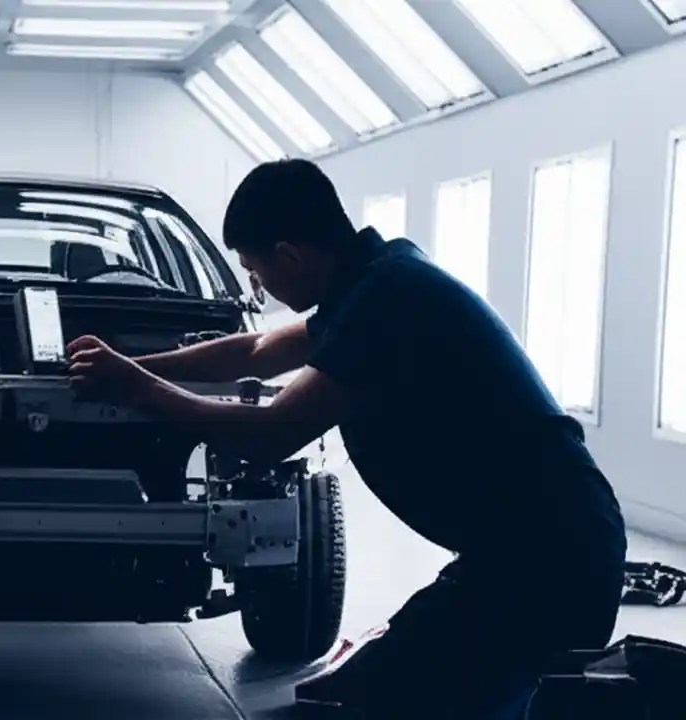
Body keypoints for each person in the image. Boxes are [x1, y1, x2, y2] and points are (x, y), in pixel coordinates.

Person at [66, 159, 628, 719]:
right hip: (527, 551)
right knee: (361, 697)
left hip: (546, 560)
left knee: (362, 704)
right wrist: (129, 366)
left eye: (255, 270)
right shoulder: (376, 280)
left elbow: (272, 435)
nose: (259, 286)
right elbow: (256, 352)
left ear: (290, 255)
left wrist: (138, 389)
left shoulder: (388, 298)